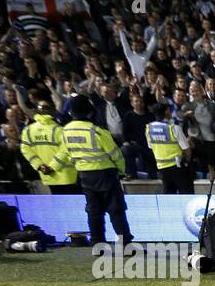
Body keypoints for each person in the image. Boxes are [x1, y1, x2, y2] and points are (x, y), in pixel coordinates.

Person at [45, 95, 133, 246]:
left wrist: (51, 166)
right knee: (116, 211)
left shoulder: (66, 131)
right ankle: (125, 246)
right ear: (89, 111)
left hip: (85, 177)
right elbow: (116, 155)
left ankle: (97, 245)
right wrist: (122, 170)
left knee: (94, 213)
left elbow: (63, 153)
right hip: (106, 175)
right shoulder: (98, 132)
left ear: (72, 113)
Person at [21, 101, 79, 194]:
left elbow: (26, 150)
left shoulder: (28, 130)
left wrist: (39, 165)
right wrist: (52, 167)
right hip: (67, 176)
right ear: (53, 111)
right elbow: (65, 151)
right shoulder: (59, 130)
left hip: (47, 176)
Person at [145, 102, 193, 194]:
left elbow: (150, 146)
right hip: (178, 167)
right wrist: (187, 161)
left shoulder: (148, 129)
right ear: (167, 112)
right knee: (187, 195)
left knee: (169, 196)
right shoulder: (173, 128)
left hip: (162, 168)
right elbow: (187, 149)